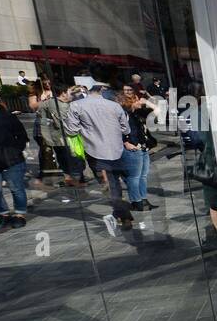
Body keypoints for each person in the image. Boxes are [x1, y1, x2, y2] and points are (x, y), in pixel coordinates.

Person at [65, 84, 133, 229]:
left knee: (108, 184)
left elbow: (71, 131)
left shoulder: (76, 106)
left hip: (95, 151)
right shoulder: (113, 105)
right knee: (115, 181)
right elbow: (126, 128)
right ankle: (126, 209)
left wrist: (86, 129)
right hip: (116, 149)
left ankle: (123, 214)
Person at [36, 83, 82, 186]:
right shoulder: (66, 106)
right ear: (63, 93)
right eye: (70, 92)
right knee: (73, 158)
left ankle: (68, 177)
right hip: (67, 137)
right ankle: (75, 178)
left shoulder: (47, 103)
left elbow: (40, 114)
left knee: (62, 158)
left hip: (55, 138)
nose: (72, 94)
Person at [0, 98, 30, 228]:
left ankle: (19, 214)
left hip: (12, 158)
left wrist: (15, 150)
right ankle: (3, 213)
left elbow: (22, 137)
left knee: (16, 188)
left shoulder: (7, 116)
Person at [119, 91, 156, 211]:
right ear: (131, 102)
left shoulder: (136, 114)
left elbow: (158, 111)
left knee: (143, 176)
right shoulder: (124, 115)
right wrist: (125, 142)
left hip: (142, 146)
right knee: (134, 177)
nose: (140, 101)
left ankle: (143, 200)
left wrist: (147, 102)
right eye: (137, 99)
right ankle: (136, 201)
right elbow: (117, 130)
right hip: (133, 148)